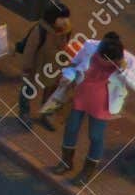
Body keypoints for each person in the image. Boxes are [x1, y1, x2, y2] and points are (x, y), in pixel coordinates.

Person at [51, 34, 135, 186]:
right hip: (81, 95)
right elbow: (74, 65)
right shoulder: (90, 46)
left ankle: (86, 172)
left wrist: (123, 71)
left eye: (108, 60)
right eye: (102, 57)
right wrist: (68, 76)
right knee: (71, 128)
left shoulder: (128, 60)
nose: (103, 62)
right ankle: (66, 162)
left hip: (103, 103)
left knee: (95, 136)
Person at [18, 2, 74, 128]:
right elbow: (30, 50)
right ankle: (24, 113)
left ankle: (47, 115)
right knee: (28, 89)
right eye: (61, 18)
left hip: (55, 66)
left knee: (53, 92)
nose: (65, 21)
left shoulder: (67, 30)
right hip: (37, 66)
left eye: (66, 17)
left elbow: (66, 47)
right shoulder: (40, 30)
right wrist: (27, 67)